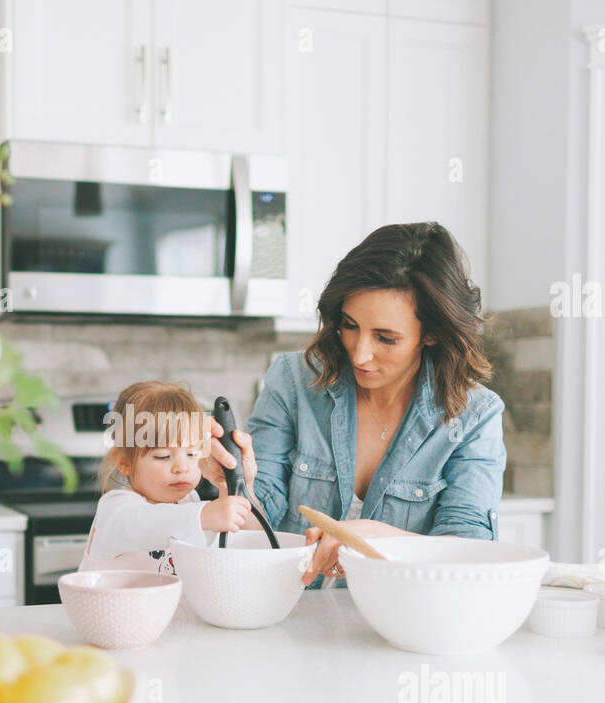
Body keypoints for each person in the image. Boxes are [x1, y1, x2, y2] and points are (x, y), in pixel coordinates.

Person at [204, 222, 506, 588]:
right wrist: (236, 490)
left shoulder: (474, 416)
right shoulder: (292, 380)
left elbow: (469, 553)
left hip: (399, 624)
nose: (360, 353)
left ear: (431, 334)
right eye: (349, 325)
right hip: (292, 616)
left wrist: (381, 537)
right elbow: (256, 528)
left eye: (386, 338)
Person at [77, 381, 260, 575]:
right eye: (163, 456)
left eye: (192, 454)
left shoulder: (190, 502)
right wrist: (205, 515)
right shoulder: (115, 510)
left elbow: (239, 550)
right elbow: (145, 524)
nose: (182, 468)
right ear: (124, 462)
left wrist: (228, 491)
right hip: (113, 605)